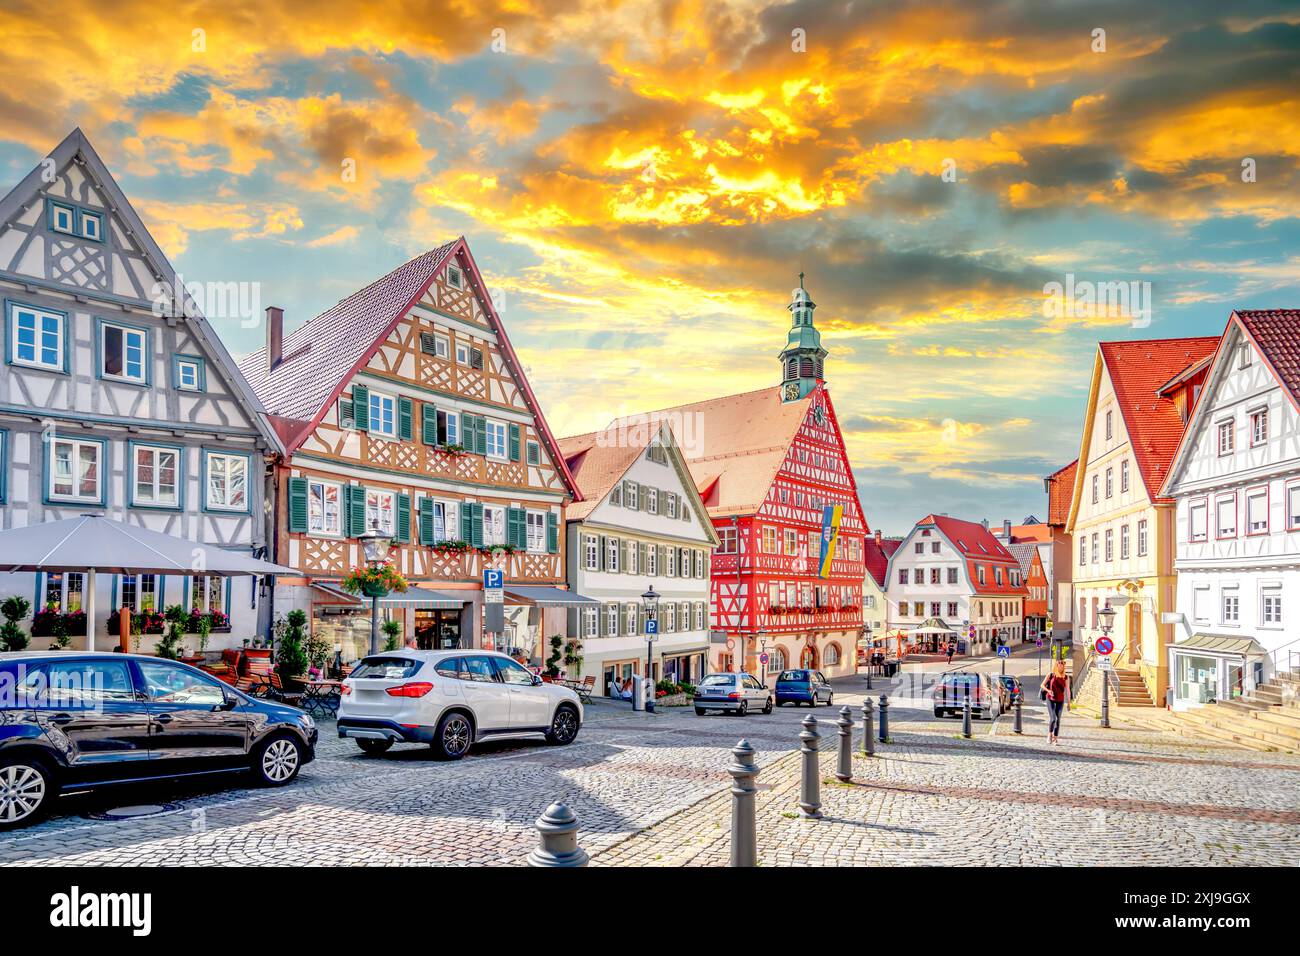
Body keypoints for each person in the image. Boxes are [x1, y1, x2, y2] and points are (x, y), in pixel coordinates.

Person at [1041, 660, 1070, 744]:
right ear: (1056, 666)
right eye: (1059, 665)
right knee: (1053, 718)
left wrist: (1068, 703)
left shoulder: (1066, 677)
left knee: (1058, 719)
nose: (1061, 667)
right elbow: (1042, 685)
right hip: (1050, 699)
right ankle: (1050, 734)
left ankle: (1055, 738)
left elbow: (1067, 690)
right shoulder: (1051, 674)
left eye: (1062, 665)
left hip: (1060, 700)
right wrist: (1048, 690)